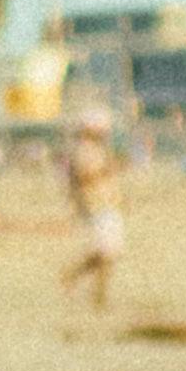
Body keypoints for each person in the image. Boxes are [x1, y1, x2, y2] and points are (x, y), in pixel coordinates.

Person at [62, 114, 126, 322]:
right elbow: (84, 178)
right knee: (107, 252)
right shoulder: (83, 151)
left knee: (109, 253)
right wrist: (108, 169)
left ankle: (76, 277)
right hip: (96, 205)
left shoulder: (96, 150)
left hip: (106, 204)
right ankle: (95, 293)